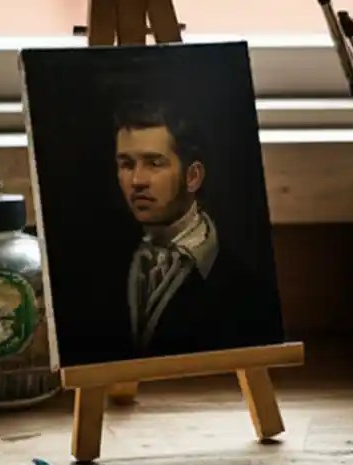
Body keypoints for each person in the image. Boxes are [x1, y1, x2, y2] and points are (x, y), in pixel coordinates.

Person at [112, 102, 278, 358]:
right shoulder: (104, 266)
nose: (137, 181)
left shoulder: (244, 286)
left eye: (154, 163)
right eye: (126, 165)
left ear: (193, 177)